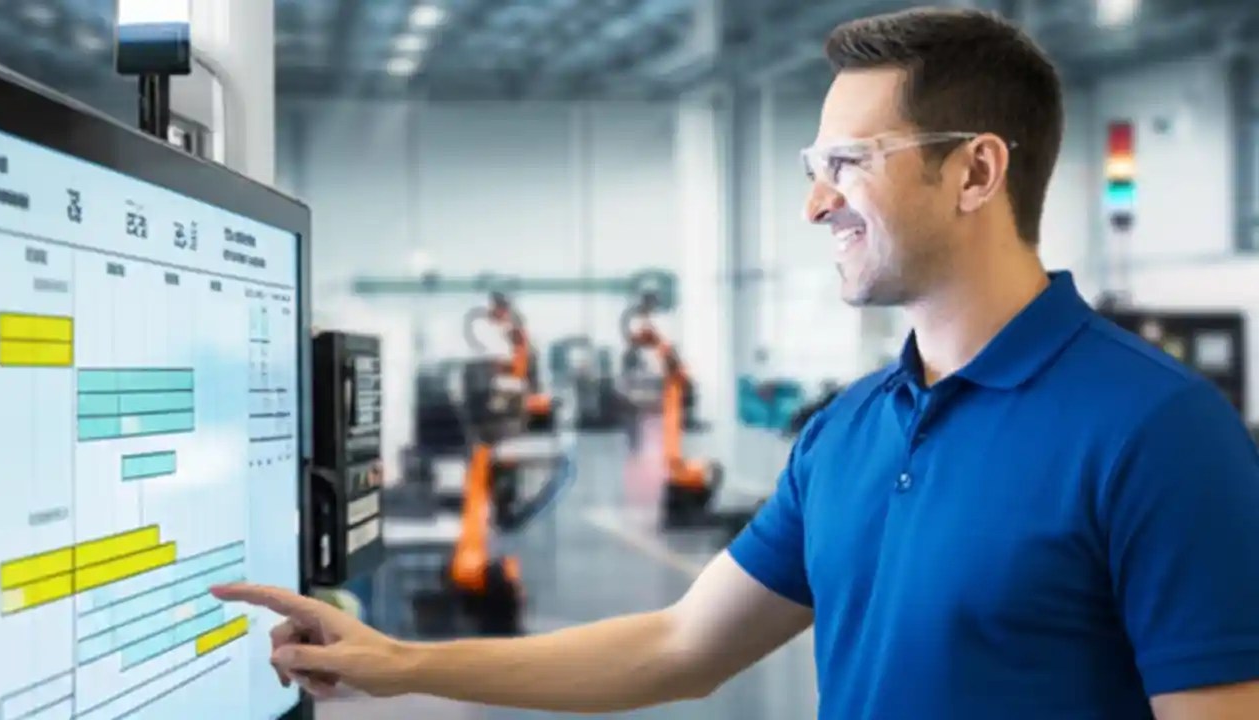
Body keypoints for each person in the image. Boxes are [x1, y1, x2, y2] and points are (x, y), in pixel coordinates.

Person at [214, 7, 1259, 718]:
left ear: (975, 171)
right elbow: (678, 646)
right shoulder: (846, 434)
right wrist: (399, 665)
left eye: (847, 164)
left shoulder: (1154, 433)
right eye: (814, 168)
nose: (813, 203)